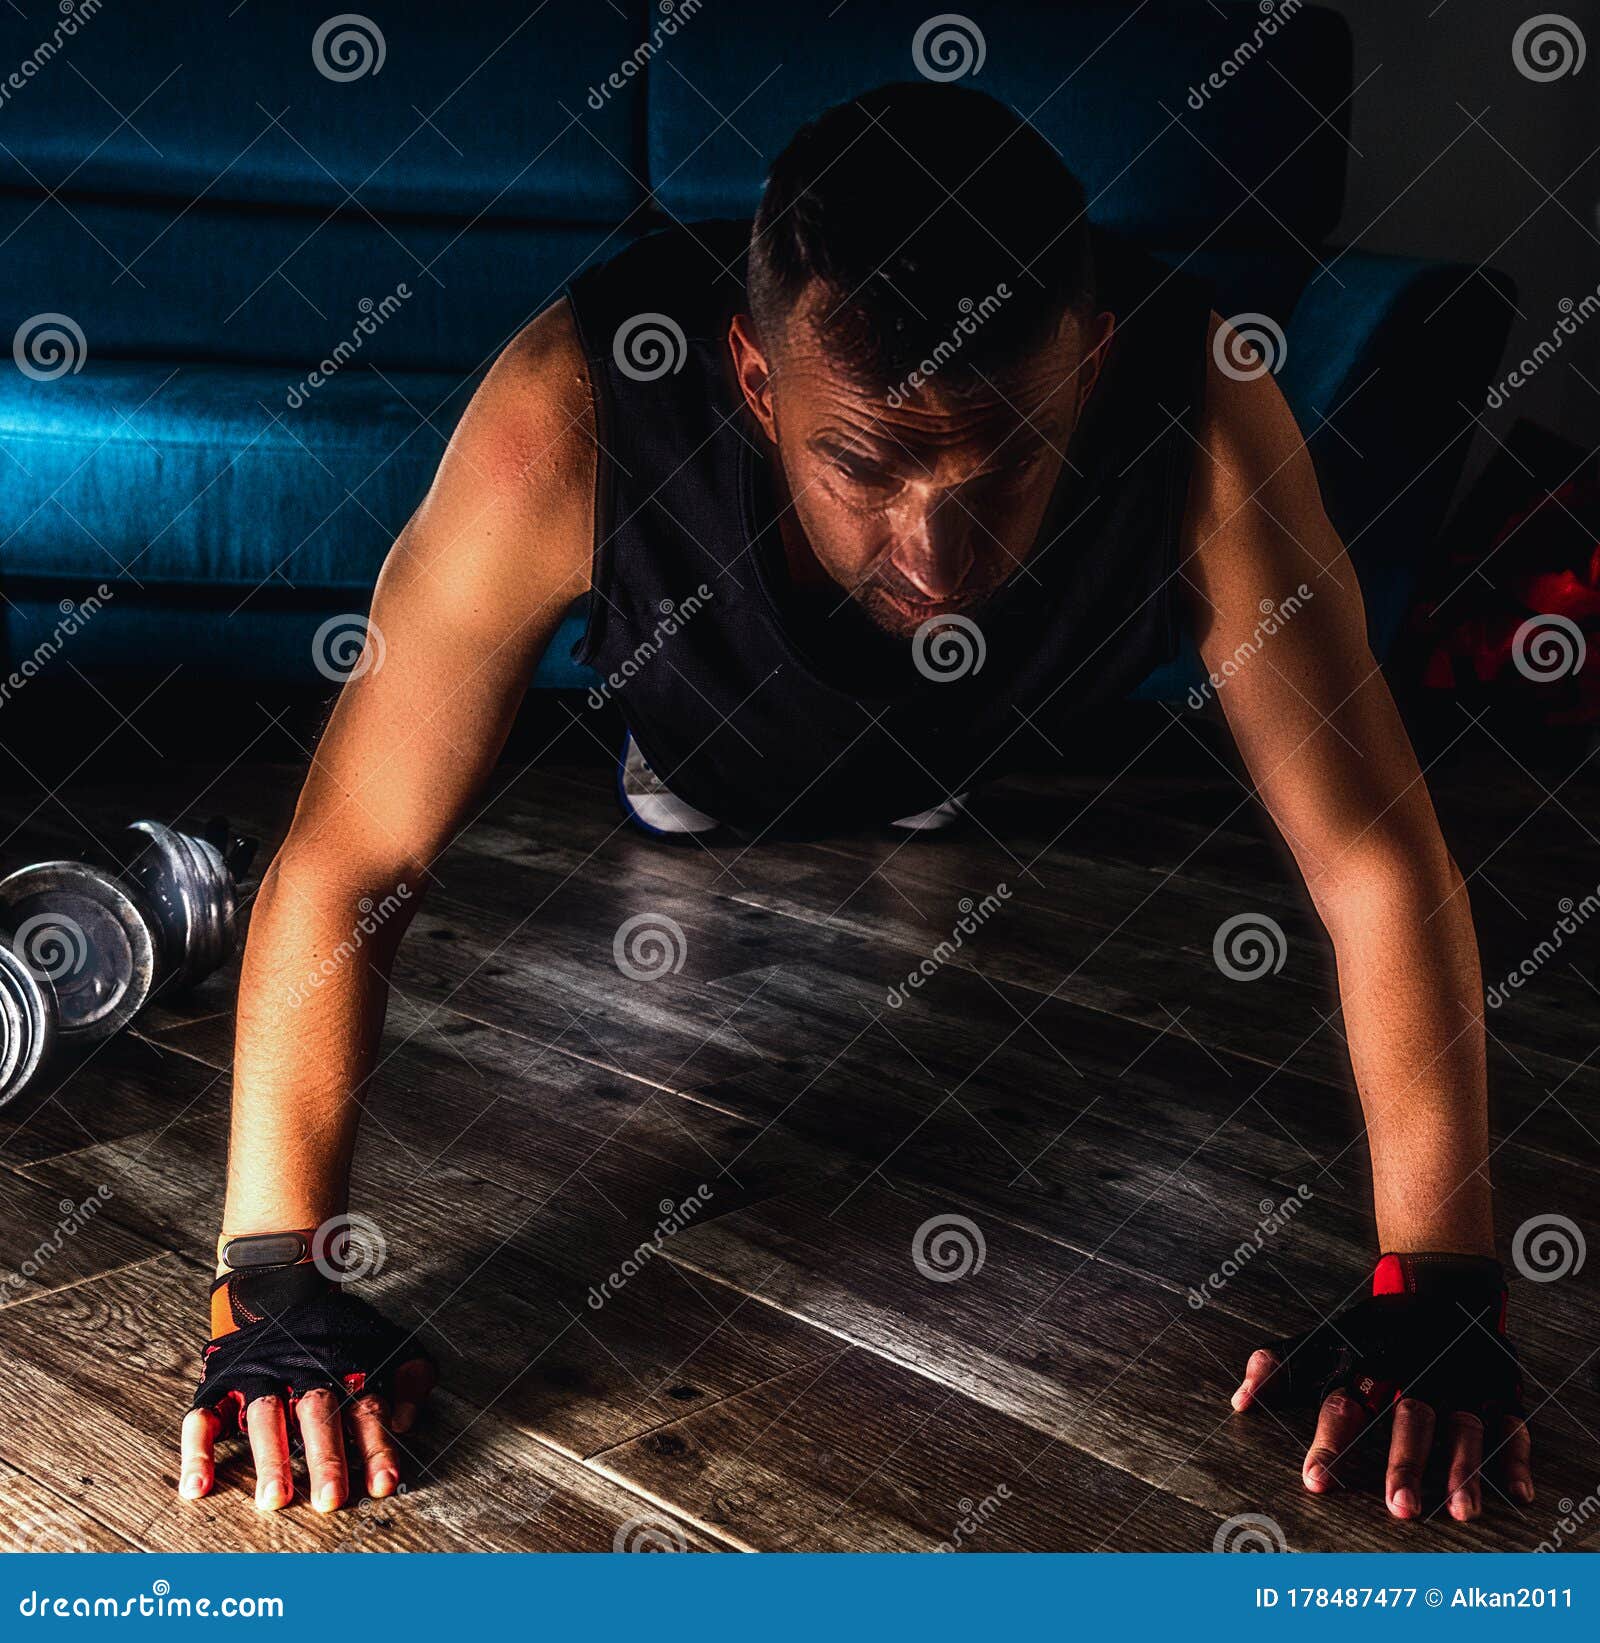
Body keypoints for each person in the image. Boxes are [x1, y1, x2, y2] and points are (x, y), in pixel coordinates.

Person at [179, 83, 1529, 1525]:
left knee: (946, 716)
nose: (937, 552)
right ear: (759, 383)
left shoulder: (1199, 401)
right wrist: (266, 1279)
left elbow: (1373, 856)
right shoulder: (571, 409)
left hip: (1004, 722)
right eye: (867, 465)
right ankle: (705, 770)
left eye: (1004, 460)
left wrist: (1436, 1279)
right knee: (700, 782)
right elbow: (352, 859)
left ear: (1095, 357)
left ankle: (922, 765)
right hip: (709, 737)